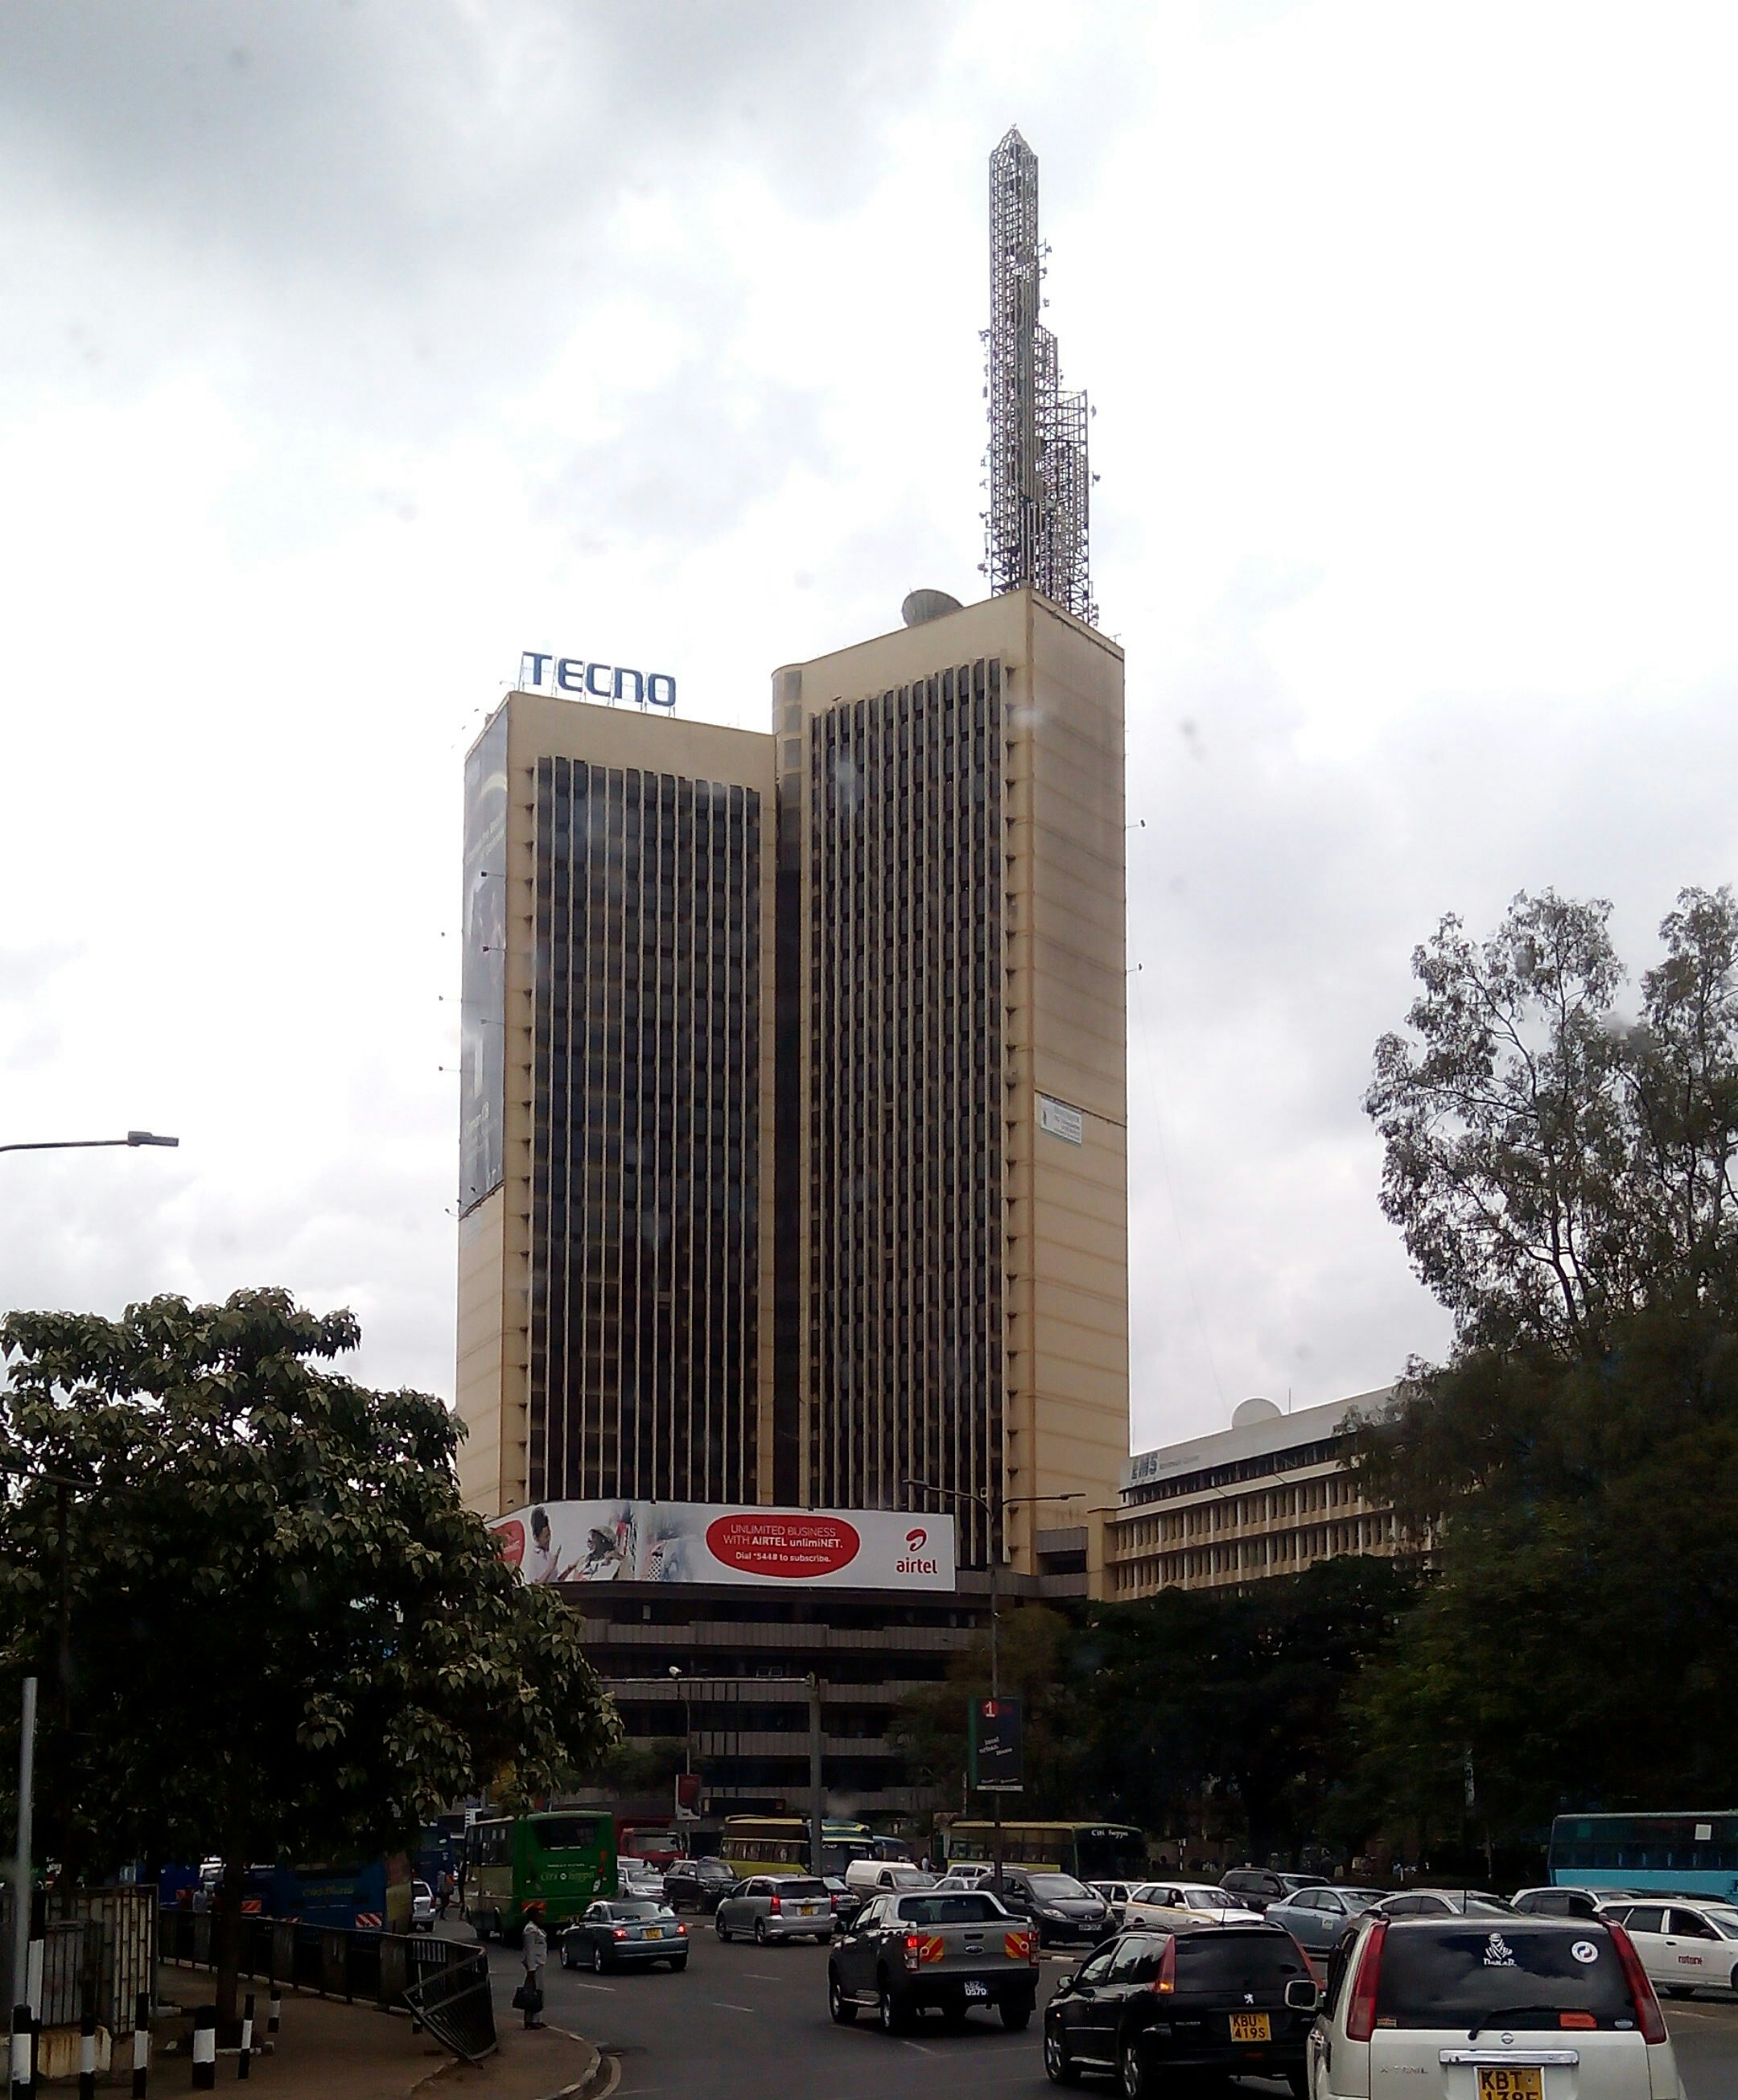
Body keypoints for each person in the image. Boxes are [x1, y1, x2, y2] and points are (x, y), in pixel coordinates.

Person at [520, 1913, 547, 2029]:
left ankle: (537, 2018)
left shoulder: (536, 1929)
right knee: (532, 1992)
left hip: (539, 1963)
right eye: (539, 1916)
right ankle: (530, 2020)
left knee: (539, 1992)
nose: (541, 1918)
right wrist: (531, 1969)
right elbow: (530, 1950)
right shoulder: (530, 1930)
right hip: (534, 1964)